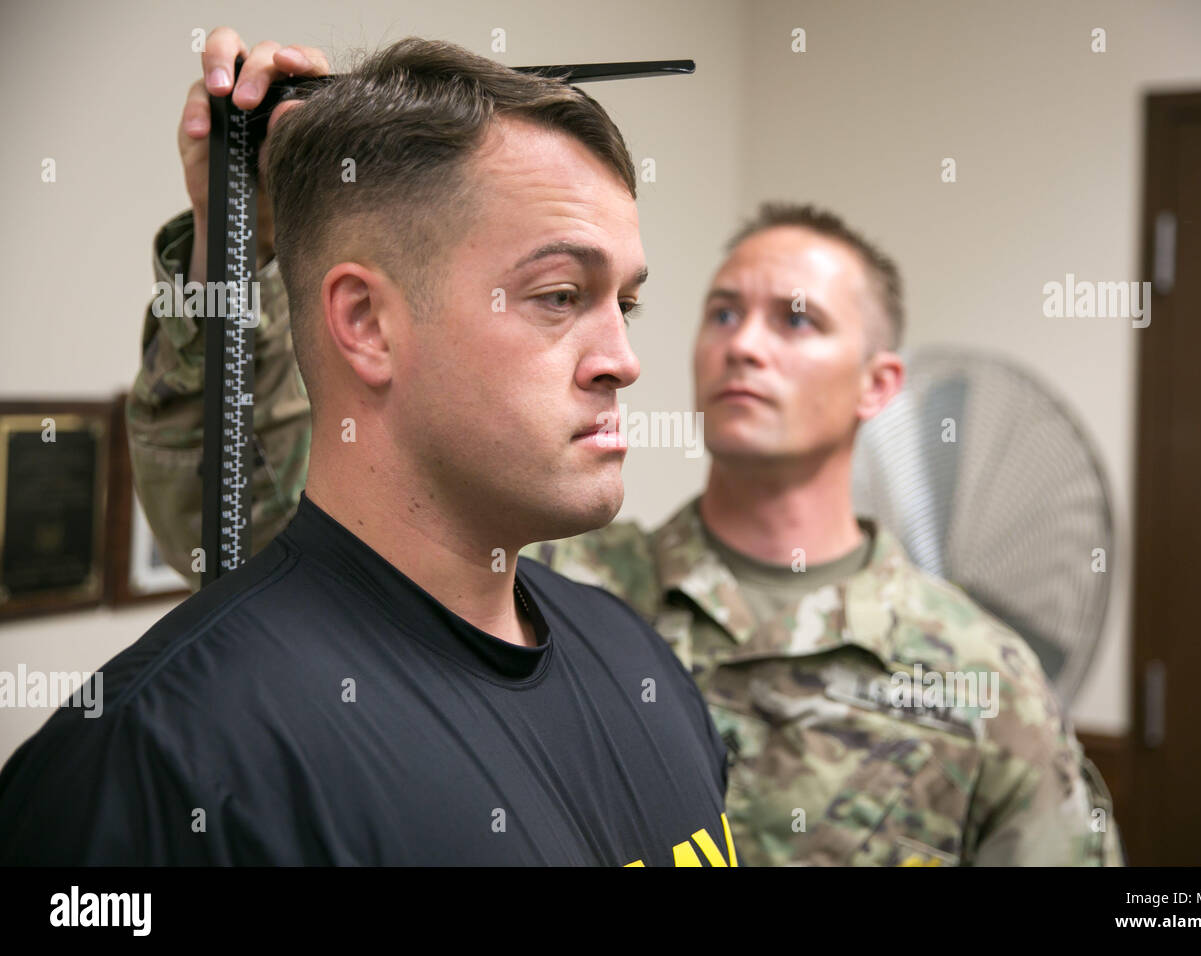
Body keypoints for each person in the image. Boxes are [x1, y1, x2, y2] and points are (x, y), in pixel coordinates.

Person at [124, 39, 1124, 867]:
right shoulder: (567, 589)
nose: (743, 342)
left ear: (879, 386)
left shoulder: (977, 675)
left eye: (798, 319)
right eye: (721, 310)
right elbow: (248, 523)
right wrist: (237, 234)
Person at [0, 33, 738, 867]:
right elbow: (231, 495)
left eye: (625, 304)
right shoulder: (162, 759)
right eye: (560, 295)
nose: (623, 360)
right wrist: (233, 239)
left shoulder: (639, 664)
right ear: (366, 324)